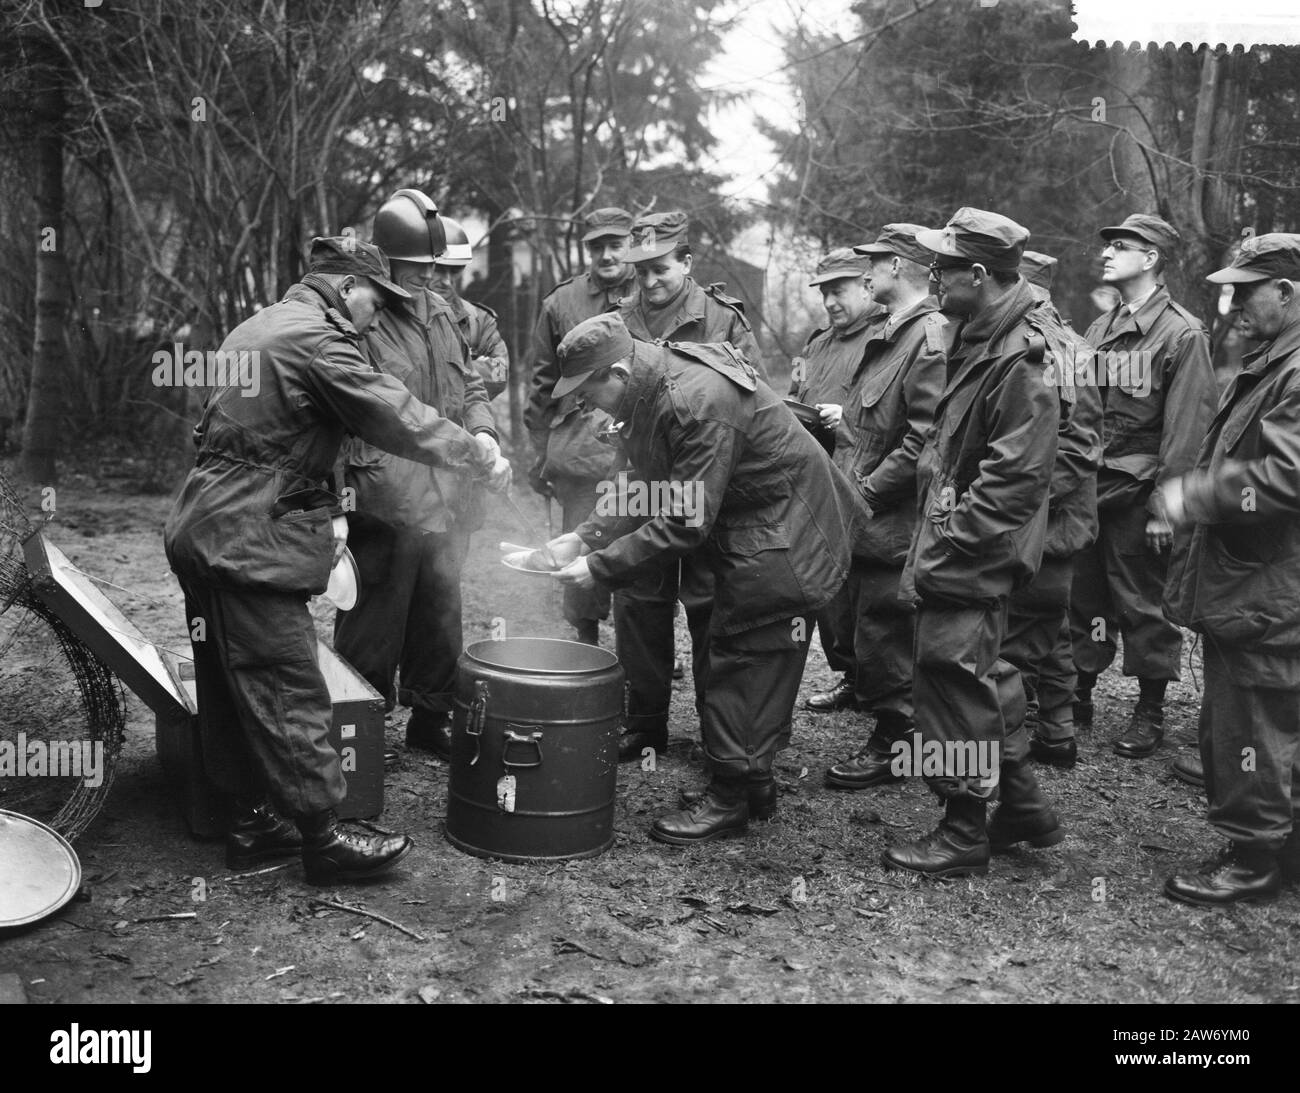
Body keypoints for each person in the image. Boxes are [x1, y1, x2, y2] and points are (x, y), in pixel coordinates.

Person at [164, 236, 500, 884]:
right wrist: (473, 452)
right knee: (289, 681)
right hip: (248, 542)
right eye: (379, 299)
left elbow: (220, 434)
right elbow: (389, 411)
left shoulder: (258, 326)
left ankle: (251, 821)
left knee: (233, 686)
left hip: (202, 525)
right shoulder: (320, 339)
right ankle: (325, 835)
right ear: (348, 289)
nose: (380, 315)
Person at [536, 314, 864, 843]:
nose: (584, 404)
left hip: (787, 527)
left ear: (617, 371)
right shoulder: (651, 387)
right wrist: (586, 536)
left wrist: (599, 567)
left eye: (587, 391)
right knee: (729, 649)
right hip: (752, 523)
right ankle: (751, 785)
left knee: (746, 655)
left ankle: (731, 799)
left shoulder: (695, 402)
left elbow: (683, 519)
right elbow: (645, 480)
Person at [882, 208, 1064, 878]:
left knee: (949, 679)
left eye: (944, 269)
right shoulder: (980, 329)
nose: (933, 281)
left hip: (975, 547)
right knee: (978, 674)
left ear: (980, 274)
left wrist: (949, 545)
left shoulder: (1022, 353)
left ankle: (963, 830)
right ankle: (1021, 805)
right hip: (961, 537)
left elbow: (1016, 476)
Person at [334, 189, 511, 762]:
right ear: (384, 261)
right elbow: (352, 409)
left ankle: (431, 717)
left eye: (433, 269)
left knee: (441, 612)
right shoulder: (362, 319)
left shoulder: (444, 316)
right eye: (414, 269)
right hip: (386, 494)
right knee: (374, 619)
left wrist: (484, 433)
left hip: (449, 492)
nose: (425, 280)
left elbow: (473, 388)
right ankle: (362, 727)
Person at [1158, 233, 1300, 904]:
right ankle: (1272, 845)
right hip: (1254, 577)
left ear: (1288, 292)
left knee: (1250, 722)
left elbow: (1285, 479)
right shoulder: (1273, 362)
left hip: (1268, 583)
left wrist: (1197, 494)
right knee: (1249, 716)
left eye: (1246, 290)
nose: (1231, 301)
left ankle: (1255, 862)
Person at [610, 211, 764, 760]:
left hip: (707, 487)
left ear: (687, 263)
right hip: (641, 478)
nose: (649, 283)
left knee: (710, 607)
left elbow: (748, 401)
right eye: (640, 272)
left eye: (660, 270)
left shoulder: (723, 321)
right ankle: (643, 722)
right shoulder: (619, 319)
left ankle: (714, 730)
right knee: (637, 601)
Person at [1068, 214, 1217, 760]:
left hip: (1139, 493)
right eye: (1107, 245)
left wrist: (1164, 509)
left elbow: (1188, 430)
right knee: (1082, 595)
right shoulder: (1101, 327)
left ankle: (1149, 708)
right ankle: (1076, 692)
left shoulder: (1183, 333)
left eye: (1122, 247)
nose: (1107, 254)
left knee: (1142, 603)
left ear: (1151, 258)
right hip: (1090, 487)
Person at [818, 225, 950, 788]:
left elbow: (924, 441)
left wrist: (864, 494)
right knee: (867, 627)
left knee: (887, 630)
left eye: (872, 262)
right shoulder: (893, 333)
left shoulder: (929, 336)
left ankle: (898, 741)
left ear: (897, 266)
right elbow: (873, 425)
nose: (864, 271)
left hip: (891, 519)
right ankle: (891, 725)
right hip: (866, 512)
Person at [1002, 251, 1103, 770]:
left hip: (1052, 522)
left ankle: (1015, 747)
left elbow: (1082, 447)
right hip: (1048, 519)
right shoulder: (1045, 346)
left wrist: (1021, 498)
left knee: (1024, 631)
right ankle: (1057, 733)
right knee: (1053, 629)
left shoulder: (1066, 351)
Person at [525, 207, 637, 645]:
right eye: (597, 247)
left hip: (638, 451)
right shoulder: (560, 302)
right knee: (578, 541)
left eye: (615, 245)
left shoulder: (650, 292)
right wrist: (539, 453)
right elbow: (541, 383)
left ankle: (642, 647)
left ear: (630, 246)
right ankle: (585, 643)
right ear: (586, 250)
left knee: (638, 557)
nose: (606, 255)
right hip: (580, 452)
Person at [791, 247, 887, 714]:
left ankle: (880, 685)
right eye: (825, 292)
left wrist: (843, 417)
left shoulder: (888, 338)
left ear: (867, 286)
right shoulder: (816, 344)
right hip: (820, 482)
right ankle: (851, 674)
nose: (830, 302)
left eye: (840, 290)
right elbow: (797, 393)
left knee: (870, 593)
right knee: (831, 593)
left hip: (867, 482)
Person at [427, 214, 510, 401]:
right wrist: (473, 367)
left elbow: (500, 375)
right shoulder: (397, 315)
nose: (447, 281)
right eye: (439, 269)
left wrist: (439, 369)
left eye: (455, 270)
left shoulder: (479, 320)